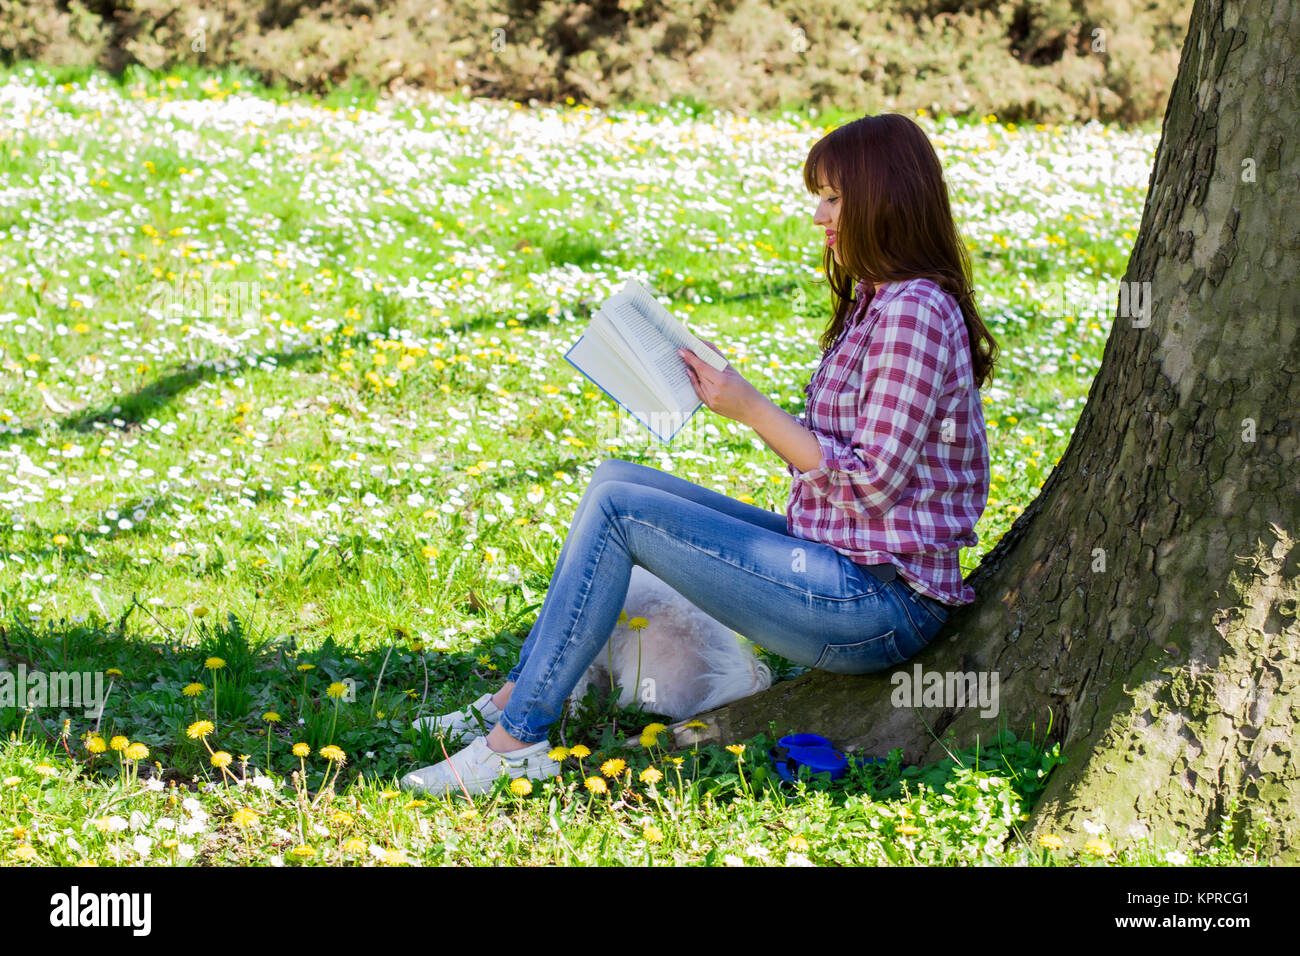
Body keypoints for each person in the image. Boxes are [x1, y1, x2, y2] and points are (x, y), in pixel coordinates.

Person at [400, 112, 996, 797]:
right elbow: (844, 454)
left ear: (883, 197)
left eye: (833, 197)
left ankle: (515, 741)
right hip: (840, 558)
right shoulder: (878, 301)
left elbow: (872, 481)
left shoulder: (914, 311)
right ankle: (514, 698)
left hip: (879, 603)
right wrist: (729, 392)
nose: (819, 215)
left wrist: (750, 409)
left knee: (623, 512)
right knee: (614, 482)